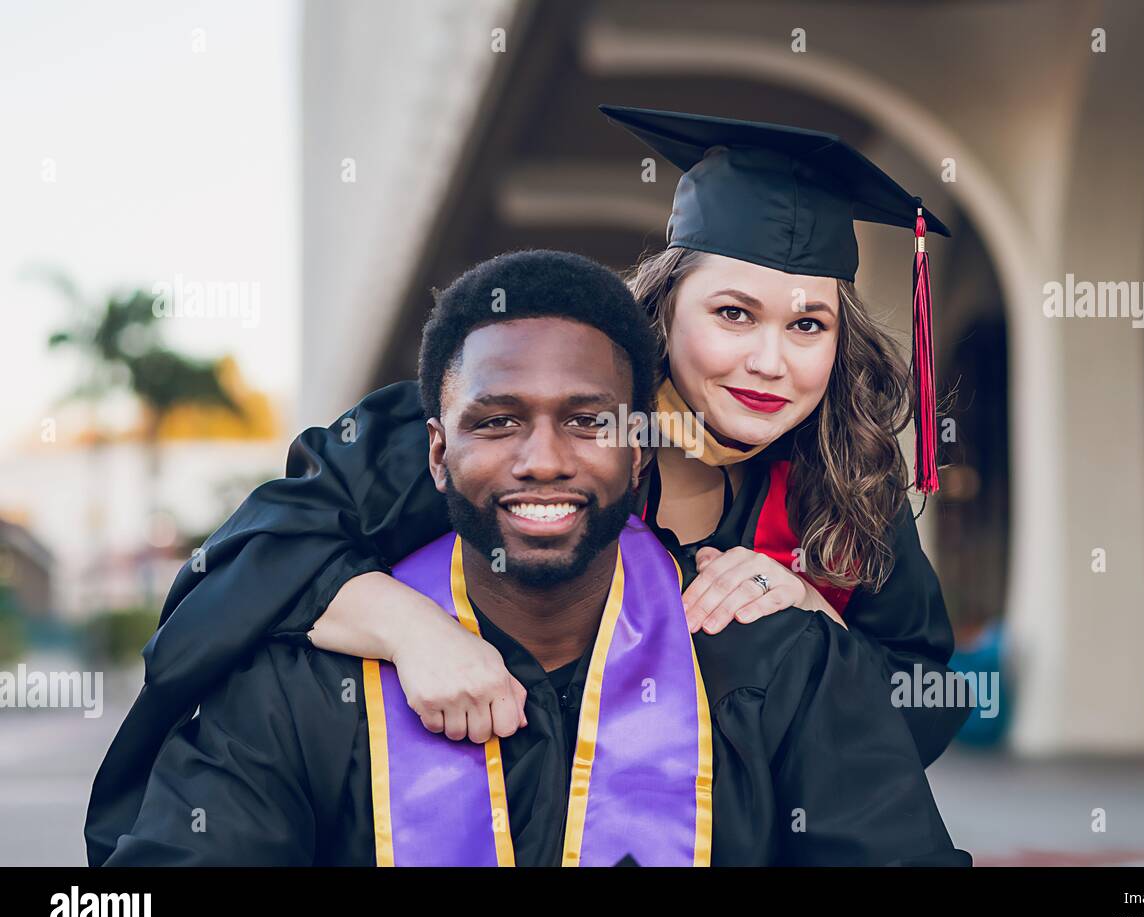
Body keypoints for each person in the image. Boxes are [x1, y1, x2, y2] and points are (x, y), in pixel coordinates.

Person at [86, 107, 969, 865]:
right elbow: (249, 561)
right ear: (663, 309)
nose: (770, 361)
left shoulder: (845, 492)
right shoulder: (494, 426)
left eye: (807, 324)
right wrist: (413, 631)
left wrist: (816, 625)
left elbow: (916, 699)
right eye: (732, 313)